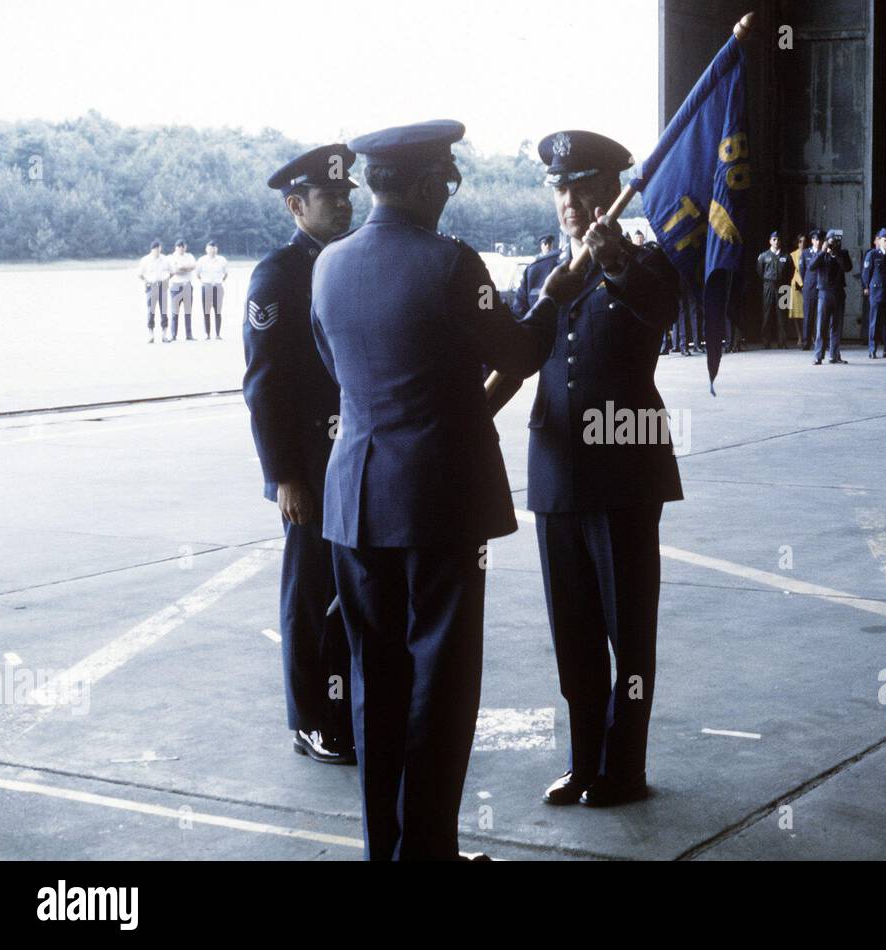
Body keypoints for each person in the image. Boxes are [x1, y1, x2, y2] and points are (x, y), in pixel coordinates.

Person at [311, 121, 582, 859]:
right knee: (441, 688)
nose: (449, 196)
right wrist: (556, 292)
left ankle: (388, 849)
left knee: (376, 690)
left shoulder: (328, 266)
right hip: (435, 505)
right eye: (448, 183)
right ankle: (426, 853)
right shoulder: (451, 264)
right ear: (429, 184)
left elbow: (340, 367)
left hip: (354, 505)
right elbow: (520, 351)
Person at [487, 129, 681, 808]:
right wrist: (467, 416)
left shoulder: (643, 262)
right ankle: (584, 760)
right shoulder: (542, 275)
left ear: (609, 189)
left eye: (581, 186)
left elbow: (662, 311)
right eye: (559, 188)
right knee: (571, 628)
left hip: (625, 471)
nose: (568, 200)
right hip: (556, 468)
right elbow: (513, 360)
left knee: (628, 628)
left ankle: (624, 766)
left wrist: (617, 260)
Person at [242, 144, 360, 772]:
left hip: (355, 455)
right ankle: (312, 720)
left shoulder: (349, 262)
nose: (343, 204)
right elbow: (264, 385)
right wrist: (284, 474)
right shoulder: (279, 275)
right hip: (310, 464)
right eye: (329, 197)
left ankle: (345, 710)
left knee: (351, 592)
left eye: (347, 195)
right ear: (296, 206)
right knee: (311, 594)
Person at [811, 230, 854, 365]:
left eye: (835, 241)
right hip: (824, 293)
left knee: (836, 326)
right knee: (821, 326)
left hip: (838, 292)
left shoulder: (843, 253)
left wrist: (835, 254)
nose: (833, 244)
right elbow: (812, 266)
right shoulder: (821, 254)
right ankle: (818, 356)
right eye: (830, 241)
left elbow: (847, 267)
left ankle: (834, 356)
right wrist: (823, 252)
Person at [862, 228, 886, 359]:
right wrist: (866, 286)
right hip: (876, 291)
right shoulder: (873, 254)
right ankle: (872, 349)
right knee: (874, 321)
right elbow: (866, 272)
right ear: (879, 241)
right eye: (884, 240)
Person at [756, 230, 794, 349]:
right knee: (767, 313)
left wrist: (784, 281)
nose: (776, 242)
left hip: (783, 286)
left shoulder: (786, 256)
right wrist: (768, 280)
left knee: (782, 314)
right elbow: (759, 271)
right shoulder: (764, 256)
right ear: (770, 241)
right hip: (768, 285)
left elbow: (791, 271)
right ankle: (766, 341)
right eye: (774, 239)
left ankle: (782, 342)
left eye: (778, 239)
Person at [514, 232, 561, 318]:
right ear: (541, 245)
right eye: (545, 243)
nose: (547, 246)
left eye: (549, 243)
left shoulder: (560, 260)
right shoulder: (534, 264)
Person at [138, 240, 171, 343]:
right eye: (155, 249)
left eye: (158, 249)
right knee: (151, 311)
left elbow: (172, 272)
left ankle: (164, 335)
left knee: (164, 311)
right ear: (151, 250)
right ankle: (150, 335)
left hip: (162, 285)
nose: (157, 251)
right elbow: (140, 274)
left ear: (160, 248)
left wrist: (166, 280)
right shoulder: (145, 260)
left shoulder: (165, 259)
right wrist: (147, 281)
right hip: (151, 286)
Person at [197, 240, 228, 340]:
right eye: (210, 248)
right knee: (206, 311)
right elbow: (198, 274)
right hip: (206, 286)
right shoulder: (201, 260)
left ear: (217, 249)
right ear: (206, 249)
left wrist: (219, 282)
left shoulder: (222, 260)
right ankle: (207, 334)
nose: (212, 250)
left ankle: (218, 334)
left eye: (214, 248)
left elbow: (226, 274)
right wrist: (205, 283)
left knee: (218, 311)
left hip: (218, 287)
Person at [166, 239, 196, 341]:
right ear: (176, 247)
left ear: (185, 247)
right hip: (176, 286)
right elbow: (175, 270)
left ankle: (189, 335)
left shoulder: (190, 256)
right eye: (179, 247)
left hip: (187, 285)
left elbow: (193, 267)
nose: (181, 249)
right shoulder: (171, 257)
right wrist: (184, 268)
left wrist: (182, 267)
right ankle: (173, 335)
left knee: (188, 312)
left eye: (183, 247)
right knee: (175, 312)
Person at [799, 229, 823, 349]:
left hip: (821, 287)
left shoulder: (823, 253)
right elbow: (802, 271)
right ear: (812, 240)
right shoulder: (805, 253)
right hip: (809, 287)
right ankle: (806, 342)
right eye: (816, 239)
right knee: (808, 315)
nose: (818, 242)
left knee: (821, 316)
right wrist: (806, 284)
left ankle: (819, 342)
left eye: (819, 240)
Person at [788, 233, 806, 347]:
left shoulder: (810, 253)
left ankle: (810, 335)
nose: (802, 244)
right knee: (796, 313)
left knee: (808, 312)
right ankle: (800, 336)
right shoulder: (792, 255)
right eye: (800, 241)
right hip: (796, 284)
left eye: (804, 241)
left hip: (807, 283)